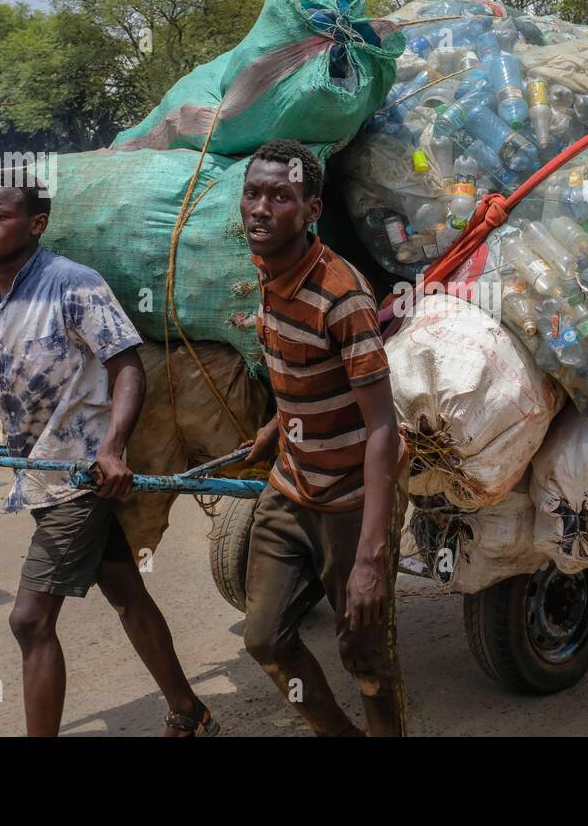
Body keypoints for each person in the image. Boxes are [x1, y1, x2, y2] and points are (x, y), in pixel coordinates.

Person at [0, 176, 217, 737]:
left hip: (79, 471)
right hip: (38, 469)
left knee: (30, 621)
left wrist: (112, 448)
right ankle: (188, 710)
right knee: (125, 591)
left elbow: (126, 365)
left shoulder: (74, 284)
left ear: (36, 225)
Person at [238, 138, 408, 737]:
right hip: (290, 489)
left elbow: (383, 426)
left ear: (311, 210)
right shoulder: (265, 272)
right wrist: (276, 426)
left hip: (351, 500)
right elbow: (297, 372)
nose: (261, 208)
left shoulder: (342, 296)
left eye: (280, 197)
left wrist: (370, 556)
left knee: (366, 661)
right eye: (253, 193)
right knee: (263, 640)